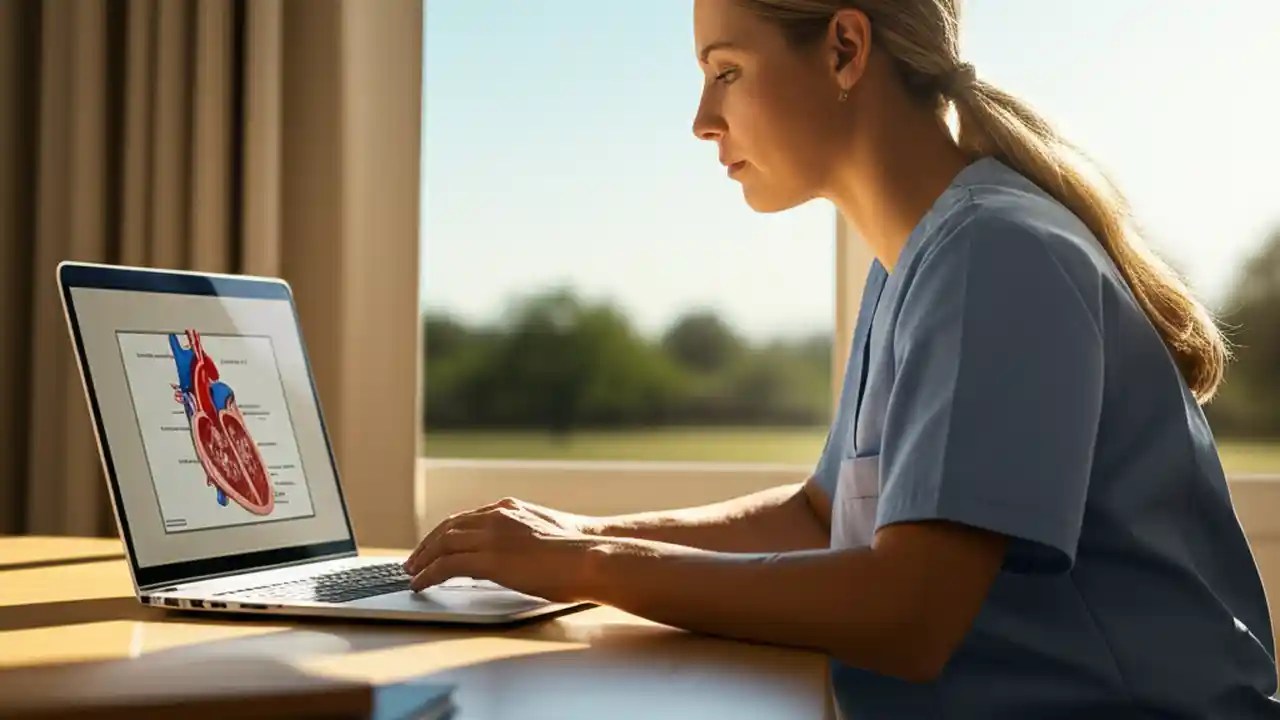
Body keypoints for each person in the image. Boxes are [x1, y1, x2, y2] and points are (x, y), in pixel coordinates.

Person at [403, 0, 1280, 716]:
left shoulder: (995, 254)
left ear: (844, 49)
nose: (703, 120)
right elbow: (822, 516)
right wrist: (580, 533)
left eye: (726, 71)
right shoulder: (920, 259)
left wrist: (585, 569)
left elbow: (909, 613)